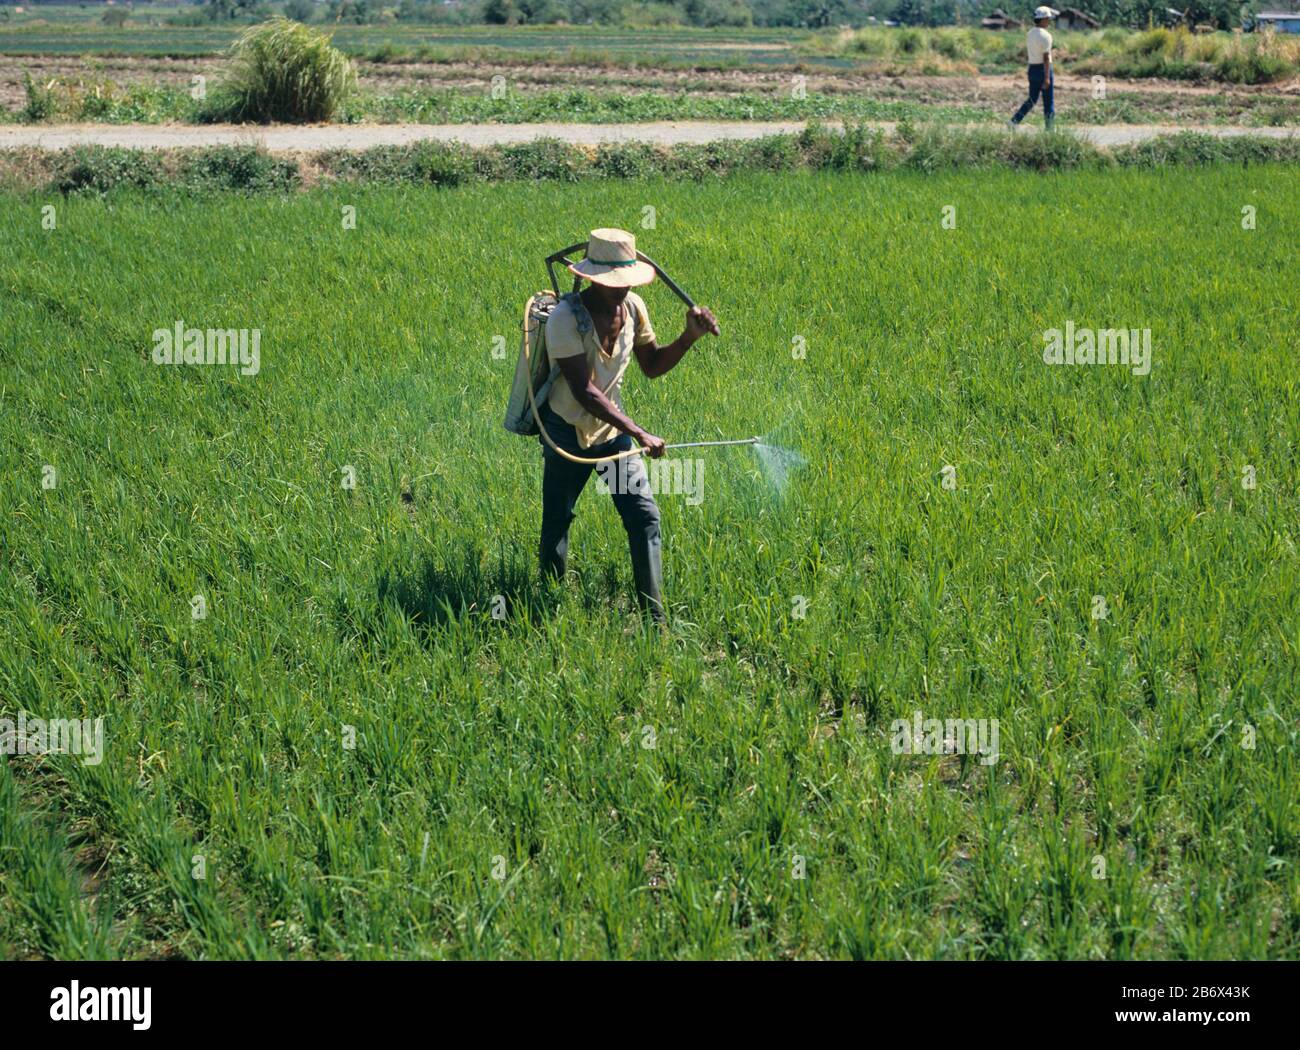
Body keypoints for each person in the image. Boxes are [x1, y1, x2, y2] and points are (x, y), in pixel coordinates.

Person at [537, 228, 720, 624]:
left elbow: (652, 365)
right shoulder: (565, 320)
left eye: (626, 282)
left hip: (612, 436)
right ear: (592, 278)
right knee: (558, 518)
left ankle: (653, 619)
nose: (620, 290)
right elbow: (585, 391)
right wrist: (639, 432)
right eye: (611, 283)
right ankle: (547, 607)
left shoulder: (634, 308)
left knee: (643, 516)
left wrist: (689, 337)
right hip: (566, 430)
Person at [1009, 6, 1056, 131]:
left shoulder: (1030, 33)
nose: (1049, 21)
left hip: (1032, 69)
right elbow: (1046, 58)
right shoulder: (1046, 36)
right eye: (1048, 19)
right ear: (1044, 19)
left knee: (1032, 99)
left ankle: (1014, 121)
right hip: (1043, 70)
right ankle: (1050, 130)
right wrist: (1047, 78)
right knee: (1049, 102)